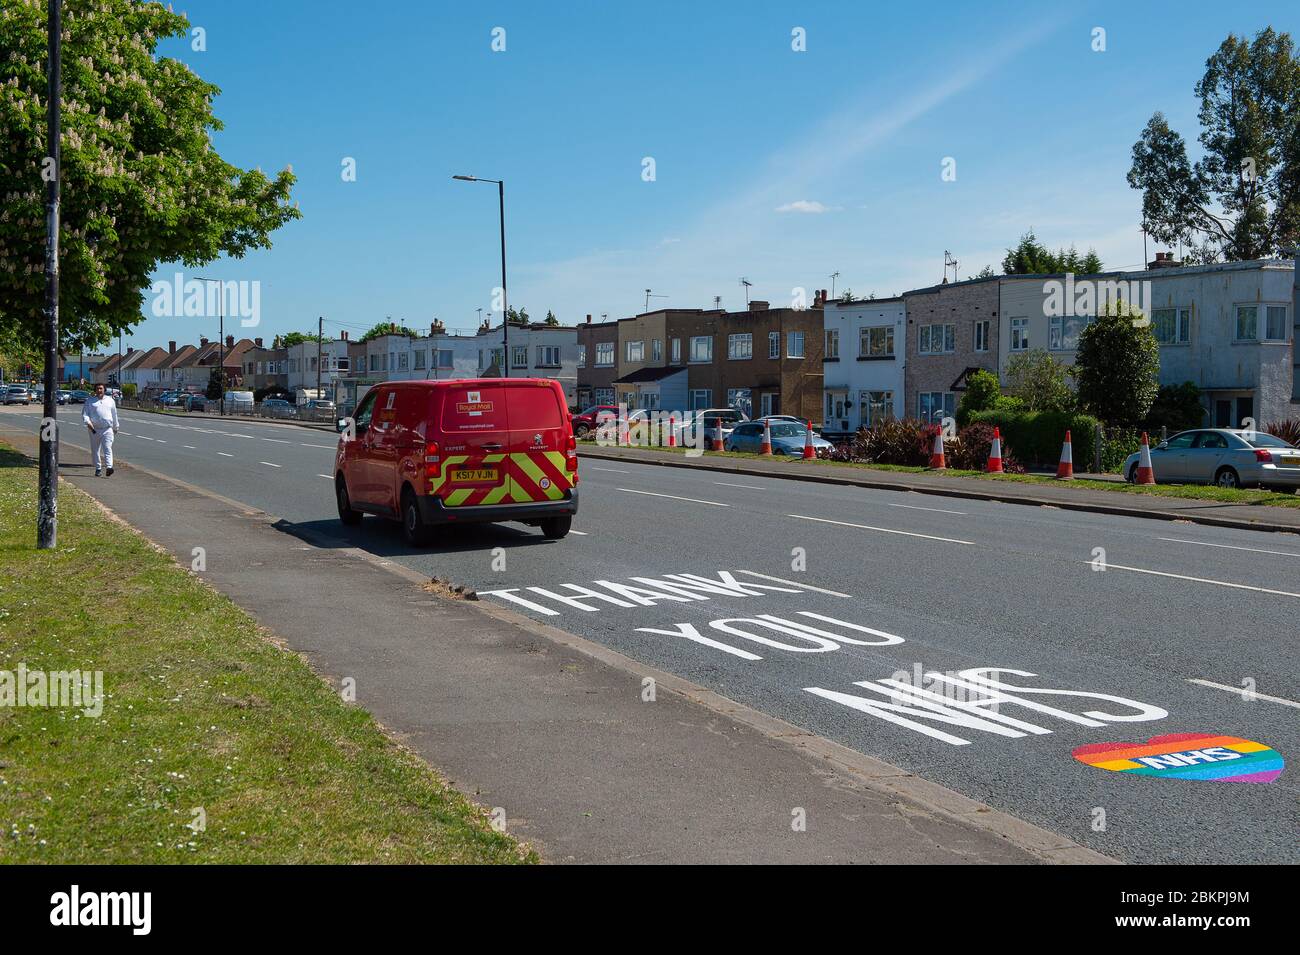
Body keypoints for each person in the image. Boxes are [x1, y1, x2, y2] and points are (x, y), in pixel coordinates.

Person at [83, 383, 120, 477]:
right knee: (95, 450)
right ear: (95, 390)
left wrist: (116, 427)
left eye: (101, 389)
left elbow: (114, 414)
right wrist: (87, 422)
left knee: (107, 448)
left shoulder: (110, 400)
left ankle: (109, 467)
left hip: (107, 429)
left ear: (104, 390)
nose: (99, 390)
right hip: (94, 429)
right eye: (98, 389)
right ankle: (98, 468)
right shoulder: (90, 401)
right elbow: (85, 414)